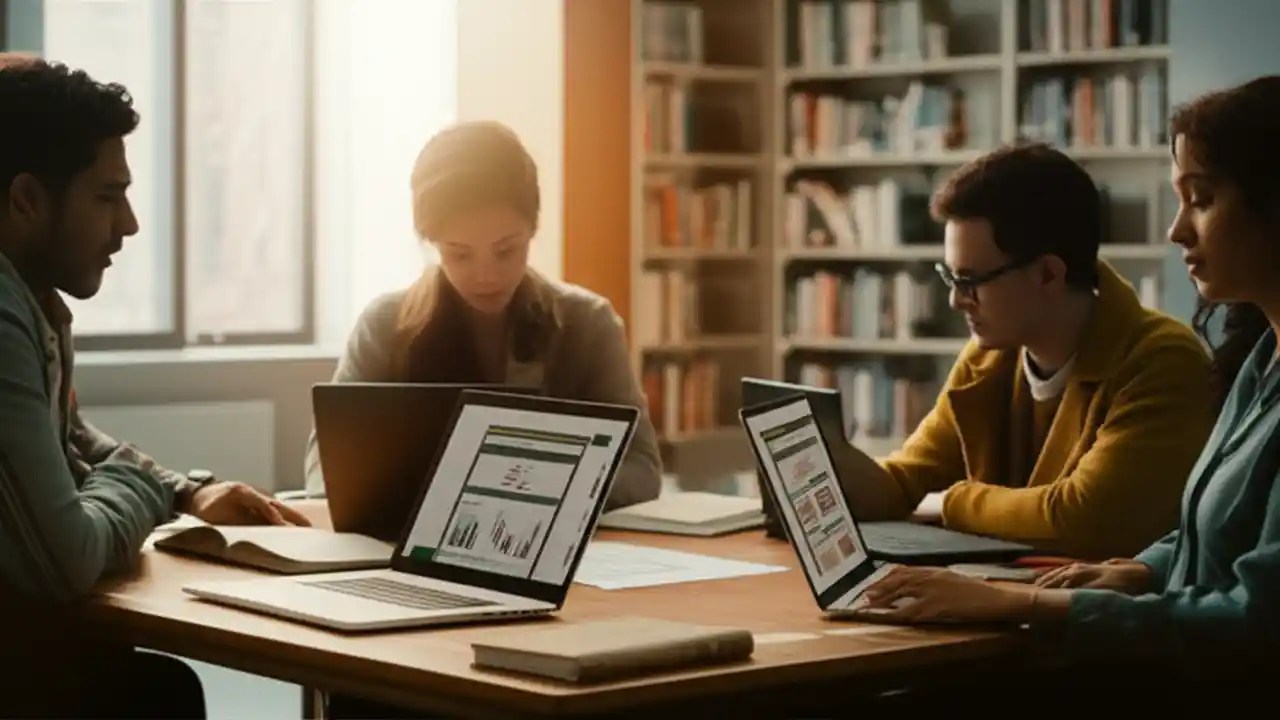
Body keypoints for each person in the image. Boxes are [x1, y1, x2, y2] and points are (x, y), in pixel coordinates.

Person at [857, 75, 1280, 699]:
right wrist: (1140, 571)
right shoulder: (1259, 359)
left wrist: (1013, 602)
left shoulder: (1164, 357)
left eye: (1203, 199)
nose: (1176, 232)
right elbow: (1205, 540)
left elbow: (1253, 624)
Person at [0, 55, 308, 717]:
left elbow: (69, 440)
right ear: (27, 200)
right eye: (107, 197)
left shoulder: (30, 302)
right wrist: (143, 487)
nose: (130, 224)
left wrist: (187, 491)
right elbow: (68, 558)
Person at [841, 142, 1215, 560]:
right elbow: (905, 481)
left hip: (1103, 619)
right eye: (950, 278)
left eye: (970, 281)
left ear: (1048, 274)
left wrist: (951, 502)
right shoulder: (987, 358)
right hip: (1007, 605)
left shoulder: (1162, 361)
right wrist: (829, 474)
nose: (956, 301)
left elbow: (1085, 520)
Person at [304, 120, 662, 511]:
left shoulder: (588, 323)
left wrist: (529, 487)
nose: (486, 276)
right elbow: (326, 475)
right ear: (432, 242)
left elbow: (641, 469)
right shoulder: (384, 326)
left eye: (506, 250)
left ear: (533, 227)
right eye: (459, 254)